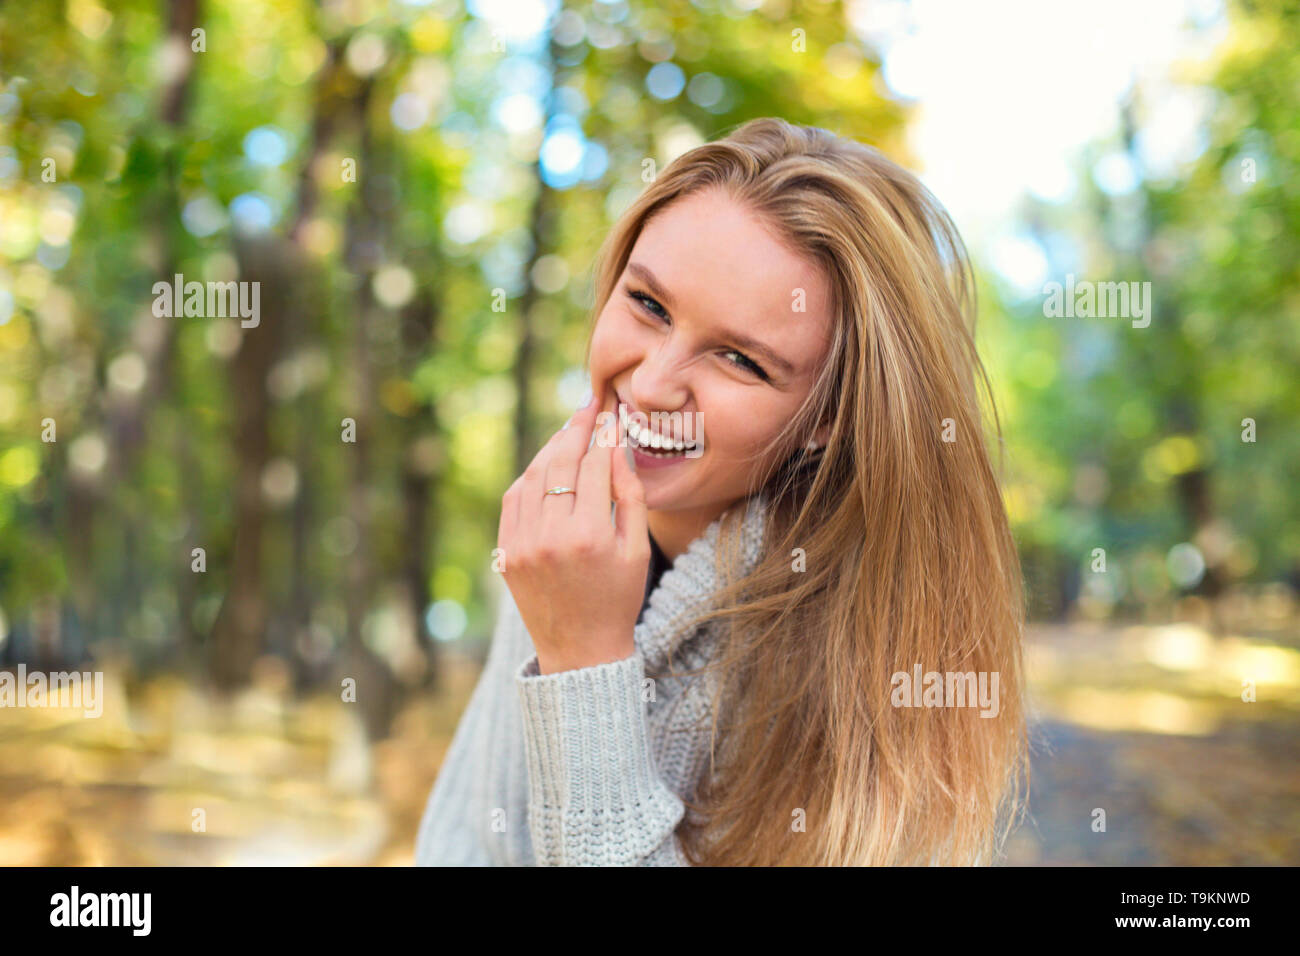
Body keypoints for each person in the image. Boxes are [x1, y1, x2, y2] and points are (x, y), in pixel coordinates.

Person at [415, 117, 1028, 866]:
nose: (650, 383)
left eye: (739, 359)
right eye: (648, 305)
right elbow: (465, 832)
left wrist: (583, 666)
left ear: (825, 420)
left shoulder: (859, 665)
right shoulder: (567, 538)